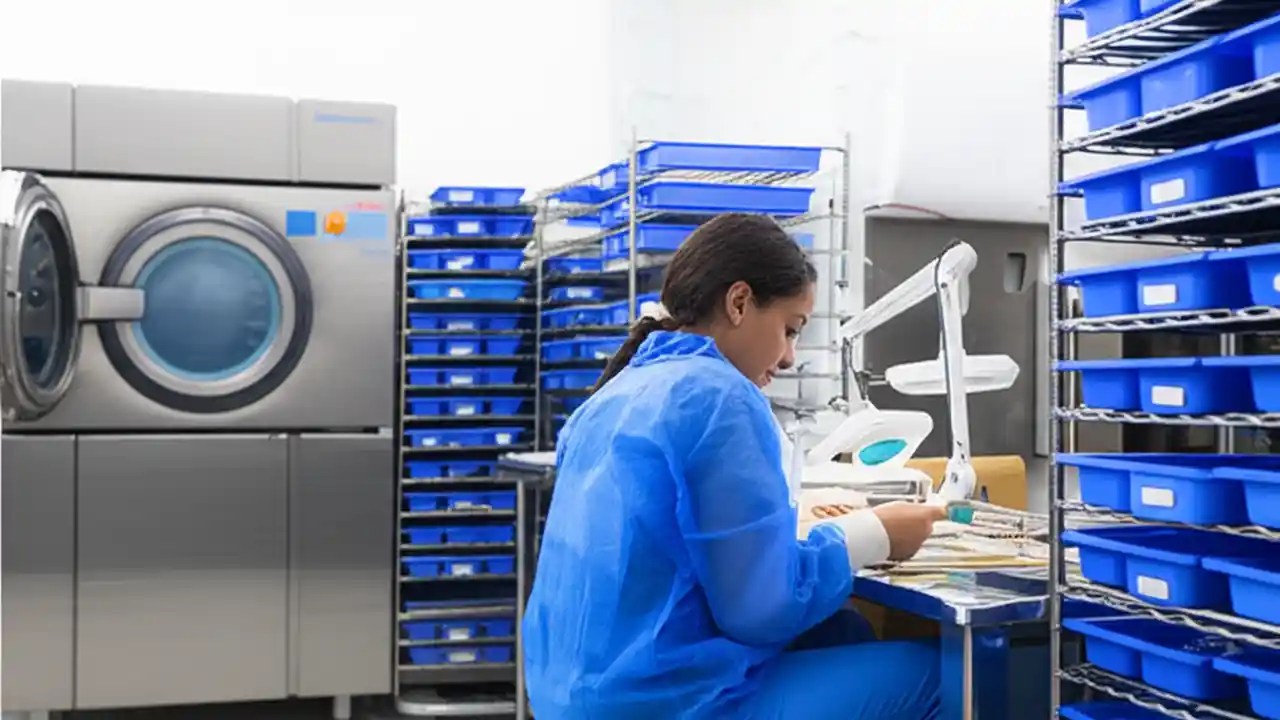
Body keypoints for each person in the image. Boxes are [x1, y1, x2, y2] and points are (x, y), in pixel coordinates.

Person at [523, 214, 945, 719]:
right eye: (790, 329)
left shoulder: (616, 395)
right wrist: (875, 534)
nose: (790, 357)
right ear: (740, 302)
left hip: (572, 698)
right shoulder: (720, 396)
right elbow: (759, 612)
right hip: (655, 704)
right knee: (945, 677)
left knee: (842, 633)